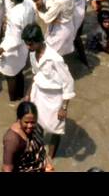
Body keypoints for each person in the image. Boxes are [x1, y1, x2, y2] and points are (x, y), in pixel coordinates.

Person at [26, 23, 74, 168]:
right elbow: (36, 74)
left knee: (56, 128)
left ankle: (51, 156)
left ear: (39, 40)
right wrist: (28, 94)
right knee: (37, 123)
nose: (28, 47)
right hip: (39, 94)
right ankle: (39, 150)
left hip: (54, 99)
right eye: (27, 44)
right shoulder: (33, 54)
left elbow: (69, 82)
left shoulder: (55, 58)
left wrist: (64, 108)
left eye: (30, 44)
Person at [2, 100, 48, 173]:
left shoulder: (38, 128)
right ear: (19, 119)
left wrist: (47, 165)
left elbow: (41, 150)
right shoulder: (12, 140)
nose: (30, 126)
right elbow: (7, 168)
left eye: (33, 122)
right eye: (26, 122)